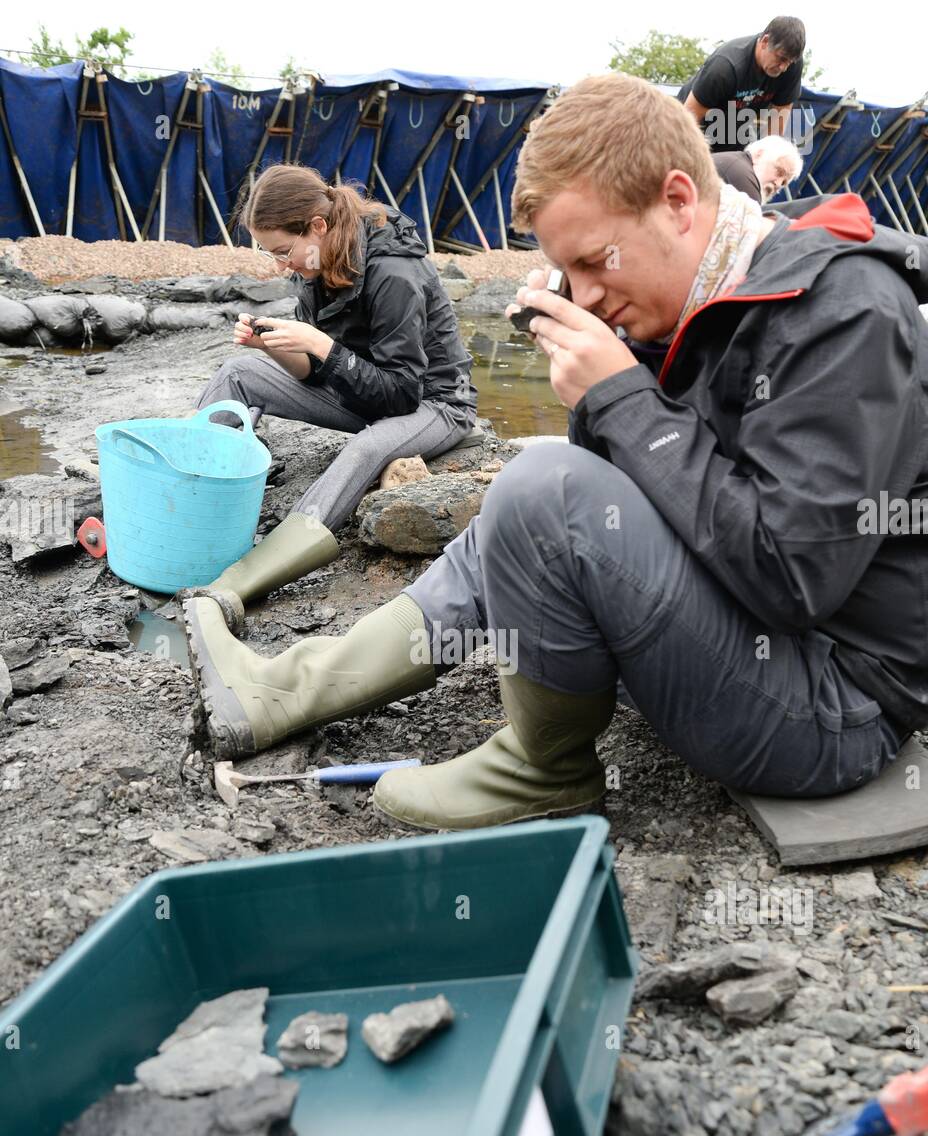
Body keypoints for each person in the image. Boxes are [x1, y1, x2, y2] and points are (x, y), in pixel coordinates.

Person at [183, 74, 928, 835]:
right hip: (738, 640)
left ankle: (548, 769)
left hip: (830, 706)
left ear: (677, 201)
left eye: (598, 261)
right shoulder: (702, 291)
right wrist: (608, 368)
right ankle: (288, 690)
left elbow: (792, 578)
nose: (588, 293)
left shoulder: (847, 313)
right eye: (569, 271)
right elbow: (623, 491)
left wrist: (624, 393)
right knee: (524, 502)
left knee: (547, 491)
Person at [188, 164, 477, 627]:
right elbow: (313, 373)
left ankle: (246, 579)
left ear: (317, 227)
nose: (282, 265)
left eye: (284, 251)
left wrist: (322, 345)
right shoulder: (317, 260)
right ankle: (186, 490)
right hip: (361, 392)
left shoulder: (393, 271)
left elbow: (401, 395)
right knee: (240, 372)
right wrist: (278, 348)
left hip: (435, 403)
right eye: (271, 254)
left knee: (366, 448)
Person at [678, 18, 806, 152]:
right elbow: (687, 123)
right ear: (765, 41)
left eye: (790, 62)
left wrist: (768, 158)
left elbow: (777, 122)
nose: (784, 67)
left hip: (736, 131)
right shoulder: (724, 68)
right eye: (781, 58)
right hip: (694, 124)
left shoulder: (791, 64)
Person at [713, 134, 804, 203]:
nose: (778, 184)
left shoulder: (735, 162)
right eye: (779, 172)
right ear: (758, 155)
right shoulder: (747, 184)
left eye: (784, 182)